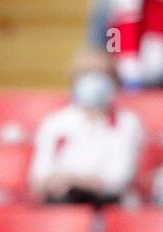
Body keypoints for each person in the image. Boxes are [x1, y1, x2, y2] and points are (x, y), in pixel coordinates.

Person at [29, 50, 145, 206]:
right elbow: (39, 176)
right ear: (74, 81)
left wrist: (73, 179)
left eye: (101, 75)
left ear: (114, 81)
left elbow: (118, 179)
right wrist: (61, 182)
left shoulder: (127, 123)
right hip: (62, 202)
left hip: (108, 205)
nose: (94, 81)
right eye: (86, 74)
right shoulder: (55, 122)